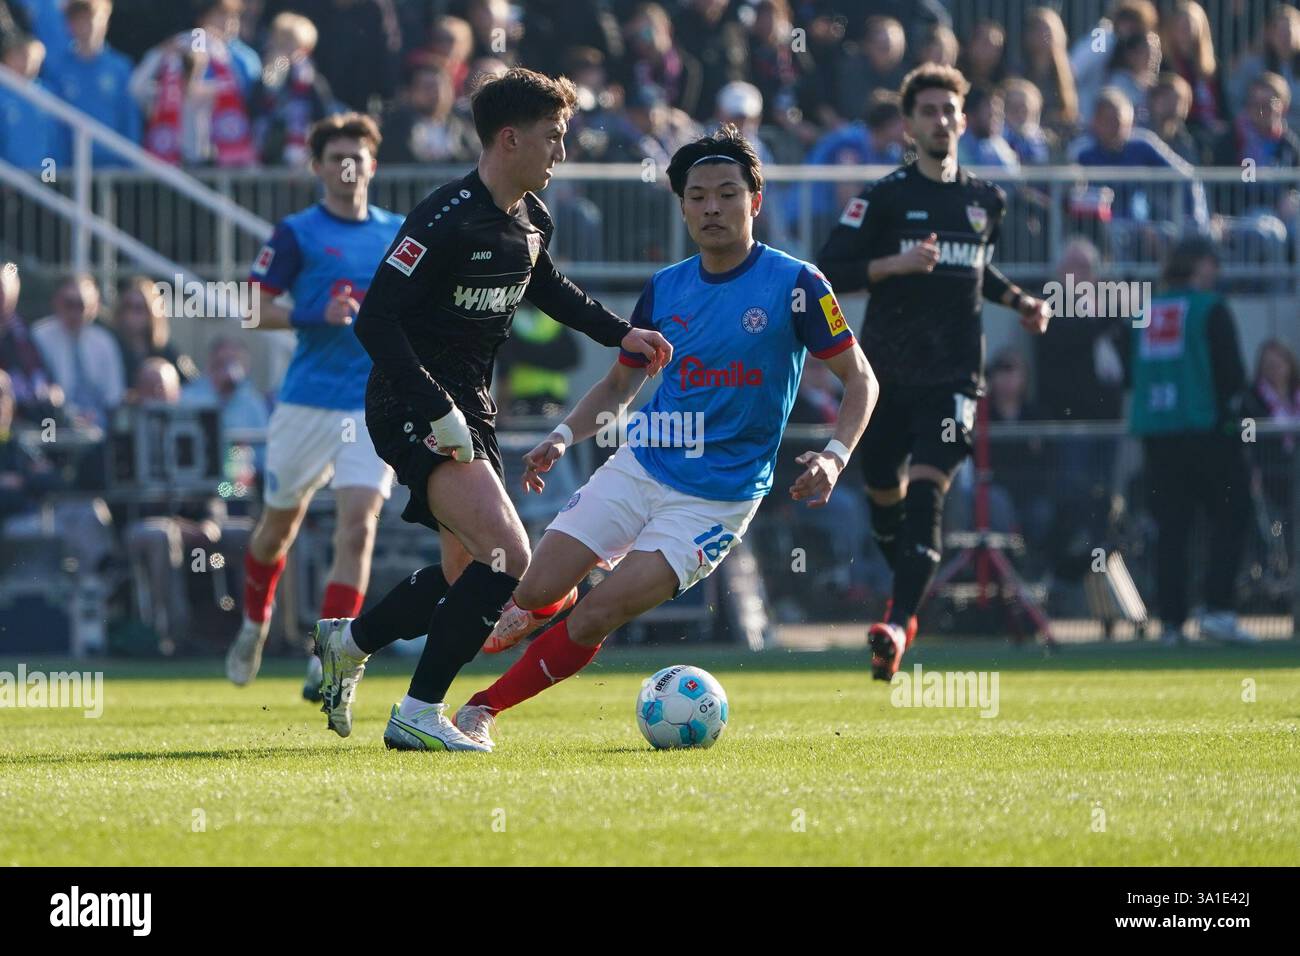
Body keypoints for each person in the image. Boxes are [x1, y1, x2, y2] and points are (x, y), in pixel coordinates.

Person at [446, 125, 877, 747]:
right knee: (535, 587)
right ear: (682, 207)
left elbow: (860, 379)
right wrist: (564, 436)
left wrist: (835, 457)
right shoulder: (666, 288)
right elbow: (619, 386)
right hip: (640, 466)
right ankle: (545, 602)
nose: (712, 208)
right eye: (697, 196)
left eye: (727, 194)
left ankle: (482, 709)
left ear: (755, 202)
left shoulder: (797, 284)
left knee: (598, 614)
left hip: (716, 500)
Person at [310, 68, 670, 749]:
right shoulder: (443, 217)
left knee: (467, 577)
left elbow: (550, 287)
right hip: (410, 401)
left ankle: (350, 641)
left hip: (471, 410)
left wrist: (621, 332)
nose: (562, 151)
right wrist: (434, 407)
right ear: (509, 139)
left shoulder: (532, 219)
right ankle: (418, 714)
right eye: (552, 136)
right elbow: (375, 320)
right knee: (508, 556)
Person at [816, 63, 1052, 681]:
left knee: (927, 498)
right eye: (928, 111)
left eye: (950, 110)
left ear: (964, 121)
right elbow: (827, 269)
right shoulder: (885, 197)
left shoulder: (986, 200)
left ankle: (896, 624)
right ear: (909, 125)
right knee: (884, 500)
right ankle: (905, 605)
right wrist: (892, 266)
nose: (941, 120)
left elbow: (976, 270)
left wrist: (1020, 301)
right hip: (885, 376)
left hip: (953, 379)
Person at [223, 112, 400, 699]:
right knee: (278, 527)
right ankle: (255, 622)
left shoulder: (398, 233)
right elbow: (254, 308)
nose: (348, 168)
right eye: (337, 158)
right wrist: (312, 314)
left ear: (373, 165)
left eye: (358, 158)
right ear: (318, 168)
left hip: (370, 405)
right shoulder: (296, 232)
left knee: (358, 528)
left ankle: (328, 657)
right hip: (306, 403)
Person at [1129, 237, 1256, 646]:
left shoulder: (1145, 312)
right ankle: (1217, 609)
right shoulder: (1210, 308)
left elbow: (1130, 374)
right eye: (1213, 263)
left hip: (1157, 436)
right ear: (1201, 264)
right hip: (1205, 431)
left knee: (1172, 530)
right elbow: (1232, 376)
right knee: (1233, 514)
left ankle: (1172, 622)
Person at [43, 0, 140, 168]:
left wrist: (130, 162)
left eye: (91, 19)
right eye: (78, 20)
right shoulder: (57, 69)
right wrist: (56, 164)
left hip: (112, 166)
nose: (86, 26)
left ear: (105, 21)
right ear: (69, 25)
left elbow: (129, 117)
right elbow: (53, 122)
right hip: (71, 166)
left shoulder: (120, 68)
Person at [31, 274, 124, 429]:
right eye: (69, 304)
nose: (74, 312)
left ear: (94, 306)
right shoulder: (39, 336)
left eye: (81, 305)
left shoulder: (105, 342)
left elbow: (113, 395)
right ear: (56, 302)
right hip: (54, 422)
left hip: (98, 423)